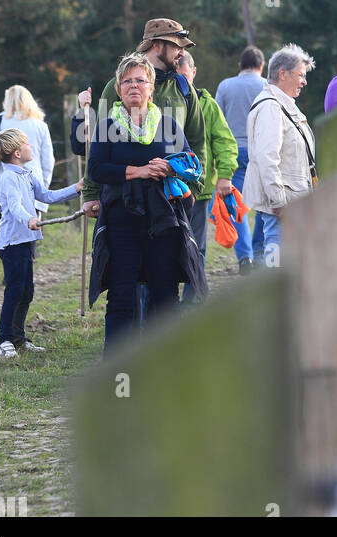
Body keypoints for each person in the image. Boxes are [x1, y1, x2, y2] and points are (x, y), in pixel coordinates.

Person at [82, 53, 203, 352]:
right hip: (121, 220)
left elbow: (191, 162)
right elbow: (96, 169)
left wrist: (170, 167)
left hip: (163, 219)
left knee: (164, 293)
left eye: (140, 80)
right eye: (127, 81)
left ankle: (163, 361)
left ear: (151, 87)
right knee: (122, 294)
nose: (134, 86)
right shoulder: (107, 126)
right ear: (119, 89)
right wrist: (139, 171)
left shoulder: (169, 125)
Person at [77, 18, 208, 249]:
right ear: (157, 45)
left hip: (170, 199)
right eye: (177, 46)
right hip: (123, 201)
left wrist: (195, 188)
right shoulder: (116, 86)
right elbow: (99, 145)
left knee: (165, 271)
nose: (181, 53)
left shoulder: (183, 88)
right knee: (128, 273)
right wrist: (90, 194)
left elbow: (197, 140)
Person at [0, 128, 82, 358]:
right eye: (28, 144)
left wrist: (76, 189)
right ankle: (4, 342)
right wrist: (29, 218)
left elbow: (47, 196)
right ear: (17, 152)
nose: (32, 147)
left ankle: (19, 338)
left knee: (27, 291)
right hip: (11, 243)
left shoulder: (27, 174)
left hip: (26, 241)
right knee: (15, 291)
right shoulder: (9, 178)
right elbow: (14, 205)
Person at [245, 44, 317, 267]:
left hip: (292, 200)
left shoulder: (282, 105)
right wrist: (278, 201)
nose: (304, 82)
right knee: (276, 261)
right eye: (301, 75)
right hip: (283, 204)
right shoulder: (271, 108)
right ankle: (275, 300)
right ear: (282, 74)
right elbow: (268, 157)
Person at [175, 51, 238, 301]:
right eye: (175, 78)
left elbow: (224, 141)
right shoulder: (159, 102)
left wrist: (225, 175)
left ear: (194, 73)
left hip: (198, 191)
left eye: (184, 76)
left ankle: (193, 302)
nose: (180, 82)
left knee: (195, 246)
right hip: (165, 189)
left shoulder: (206, 104)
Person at [215, 47, 267, 273]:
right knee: (264, 204)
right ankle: (258, 252)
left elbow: (217, 118)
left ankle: (244, 256)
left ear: (240, 64)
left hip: (233, 151)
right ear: (261, 66)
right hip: (261, 150)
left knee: (237, 205)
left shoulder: (226, 86)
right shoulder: (268, 86)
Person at [0, 86, 55, 209]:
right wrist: (43, 185)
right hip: (32, 186)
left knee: (5, 226)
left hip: (0, 187)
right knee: (33, 225)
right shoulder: (40, 125)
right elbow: (48, 161)